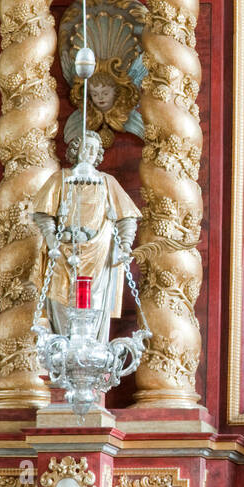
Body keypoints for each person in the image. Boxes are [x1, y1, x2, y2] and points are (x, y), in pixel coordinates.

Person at [31, 125, 141, 341]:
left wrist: (125, 245)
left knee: (95, 303)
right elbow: (43, 212)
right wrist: (52, 239)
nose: (89, 152)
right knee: (61, 300)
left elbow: (127, 217)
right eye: (85, 147)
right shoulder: (61, 179)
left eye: (94, 148)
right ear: (75, 149)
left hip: (99, 255)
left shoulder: (108, 183)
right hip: (62, 253)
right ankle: (62, 351)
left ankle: (93, 350)